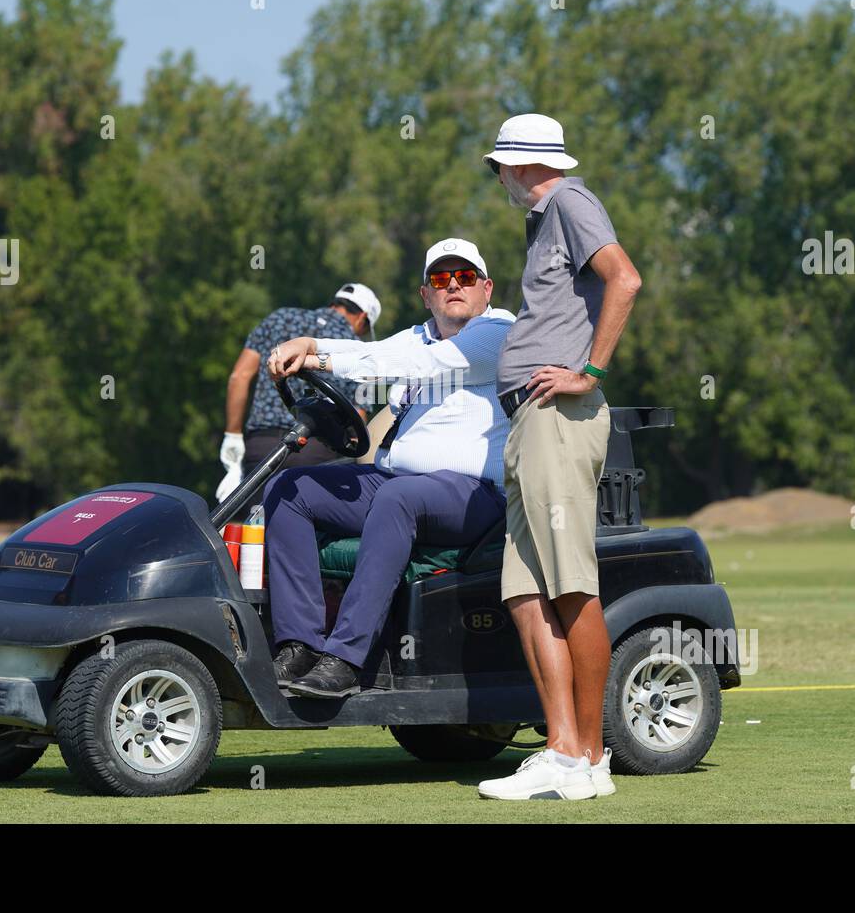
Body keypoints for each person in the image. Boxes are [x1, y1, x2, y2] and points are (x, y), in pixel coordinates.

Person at [261, 238, 515, 699]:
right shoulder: (416, 336)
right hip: (399, 482)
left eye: (465, 277)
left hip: (475, 495)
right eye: (441, 278)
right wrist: (312, 355)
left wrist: (314, 348)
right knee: (289, 488)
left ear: (487, 288)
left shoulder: (498, 333)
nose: (453, 285)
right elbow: (388, 354)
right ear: (426, 294)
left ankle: (347, 657)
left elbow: (412, 363)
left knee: (399, 498)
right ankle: (298, 643)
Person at [476, 113, 643, 801]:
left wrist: (590, 372)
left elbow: (625, 279)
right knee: (524, 592)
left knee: (572, 586)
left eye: (500, 168)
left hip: (558, 416)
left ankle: (590, 758)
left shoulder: (570, 200)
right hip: (529, 420)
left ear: (519, 165)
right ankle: (561, 751)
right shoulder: (544, 218)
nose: (501, 180)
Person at [219, 284, 380, 508]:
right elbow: (357, 425)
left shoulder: (278, 318)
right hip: (316, 455)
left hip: (263, 448)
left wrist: (232, 436)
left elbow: (239, 376)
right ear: (362, 318)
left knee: (255, 533)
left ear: (335, 303)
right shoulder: (360, 351)